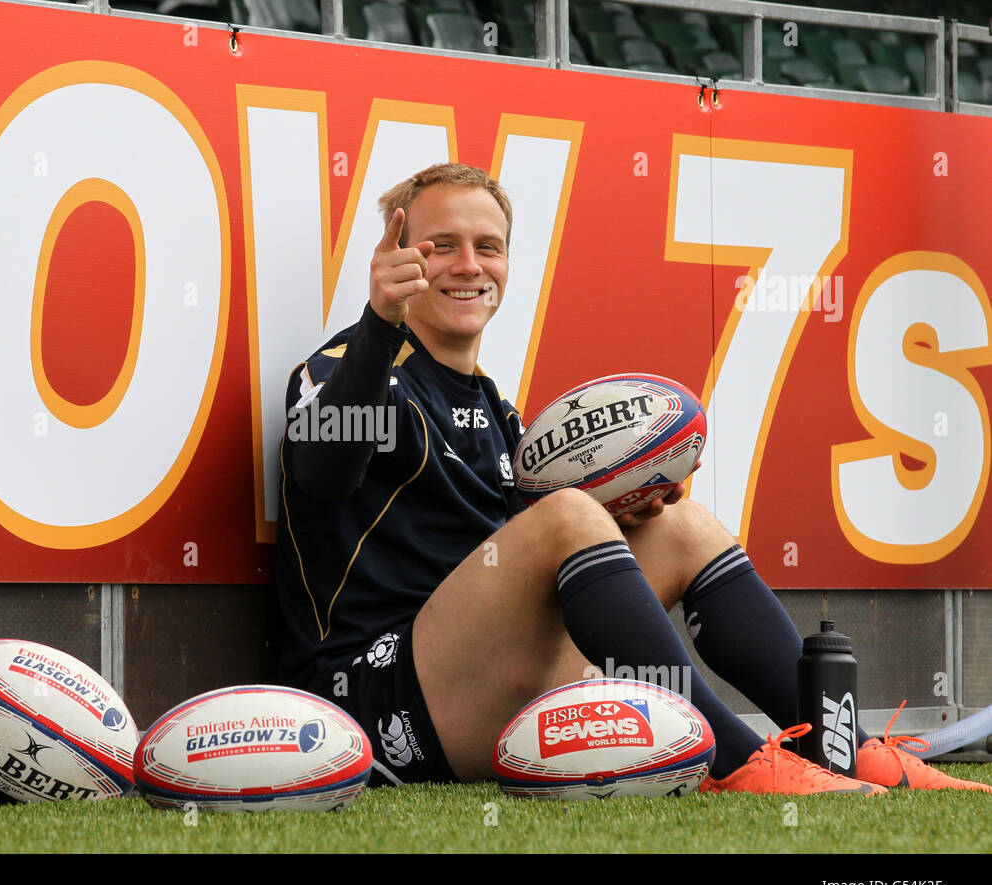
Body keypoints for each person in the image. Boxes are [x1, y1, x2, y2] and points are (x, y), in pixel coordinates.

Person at [274, 162, 989, 794]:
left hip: (493, 686)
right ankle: (734, 762)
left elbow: (524, 561)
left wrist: (638, 507)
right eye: (440, 246)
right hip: (376, 705)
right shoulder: (344, 365)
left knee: (680, 527)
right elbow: (323, 474)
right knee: (567, 514)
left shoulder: (496, 407)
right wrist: (379, 323)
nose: (467, 264)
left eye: (487, 247)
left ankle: (846, 751)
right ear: (400, 255)